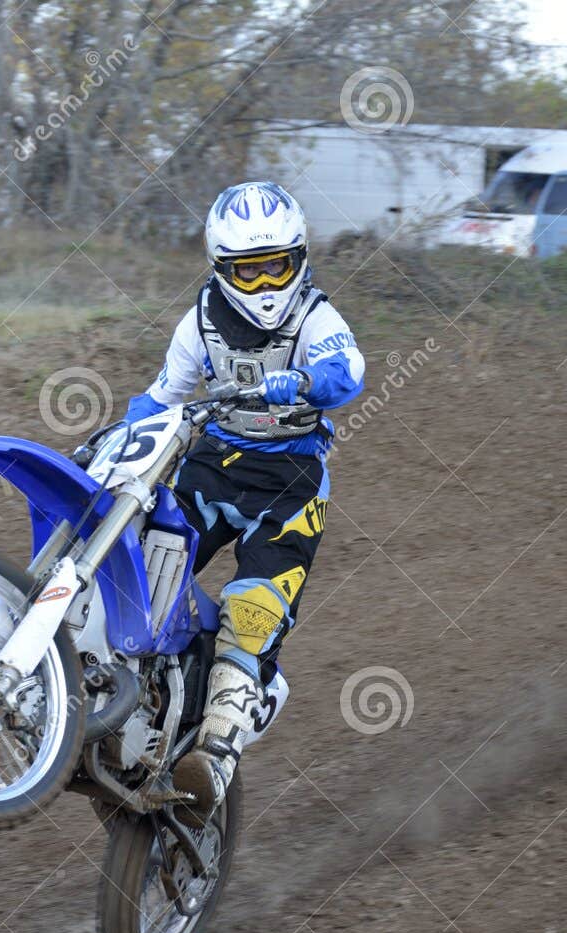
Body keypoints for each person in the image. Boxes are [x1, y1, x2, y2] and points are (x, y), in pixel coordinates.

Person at [127, 181, 365, 809]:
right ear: (222, 269)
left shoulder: (316, 316)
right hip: (212, 466)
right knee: (145, 568)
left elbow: (349, 371)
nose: (263, 286)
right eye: (248, 272)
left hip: (289, 485)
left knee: (251, 612)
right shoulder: (200, 322)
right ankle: (129, 685)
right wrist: (119, 436)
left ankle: (215, 749)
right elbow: (162, 399)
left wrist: (305, 380)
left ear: (299, 259)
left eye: (274, 268)